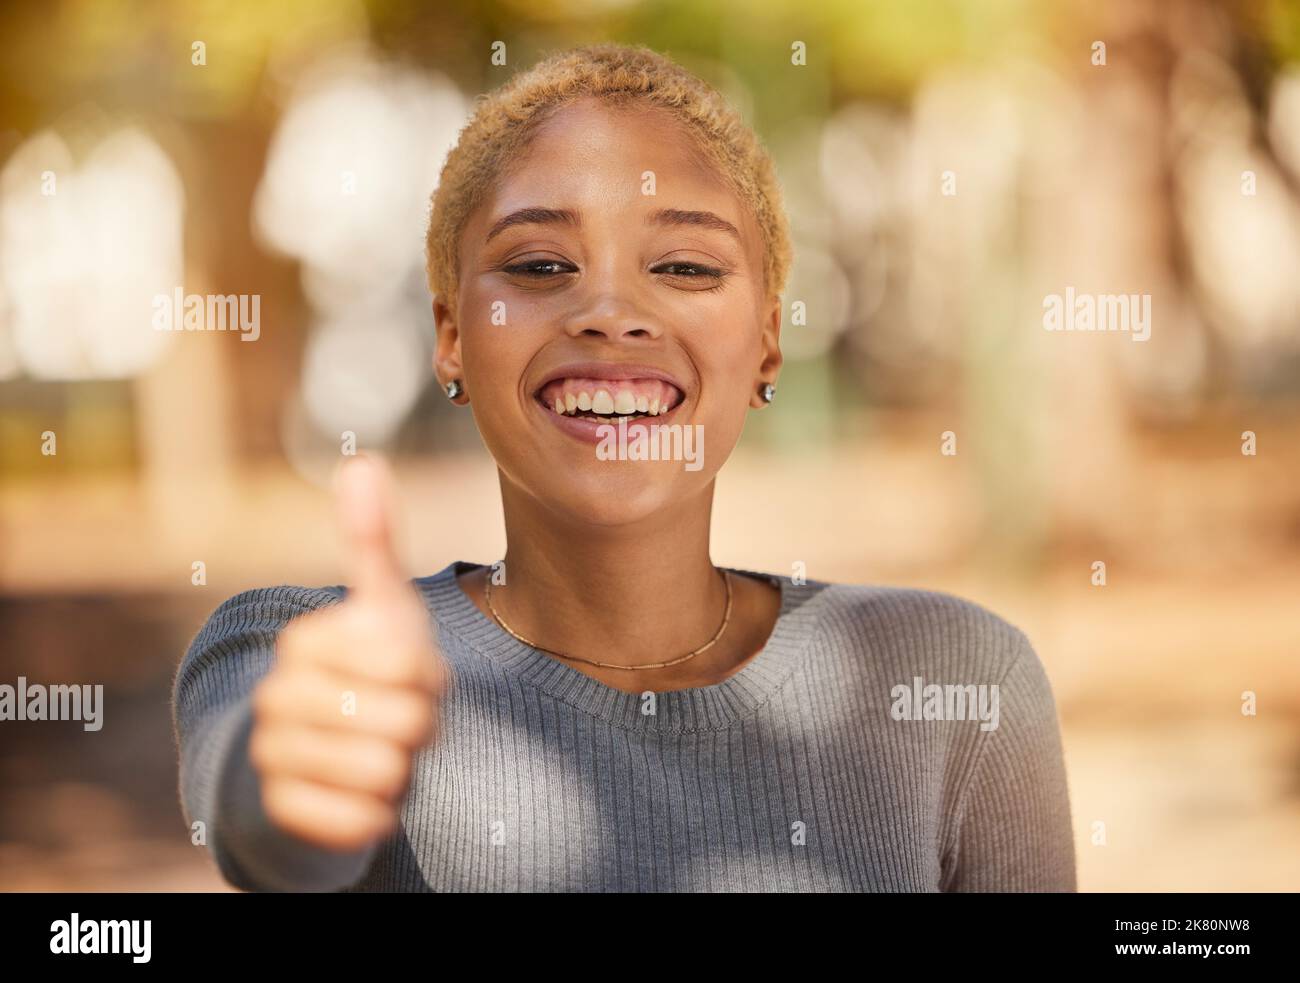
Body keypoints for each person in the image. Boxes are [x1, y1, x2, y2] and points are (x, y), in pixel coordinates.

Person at [172, 42, 1076, 892]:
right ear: (451, 338)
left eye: (684, 265)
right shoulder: (291, 653)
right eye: (537, 264)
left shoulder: (960, 681)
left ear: (767, 344)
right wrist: (293, 780)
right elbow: (259, 820)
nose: (610, 312)